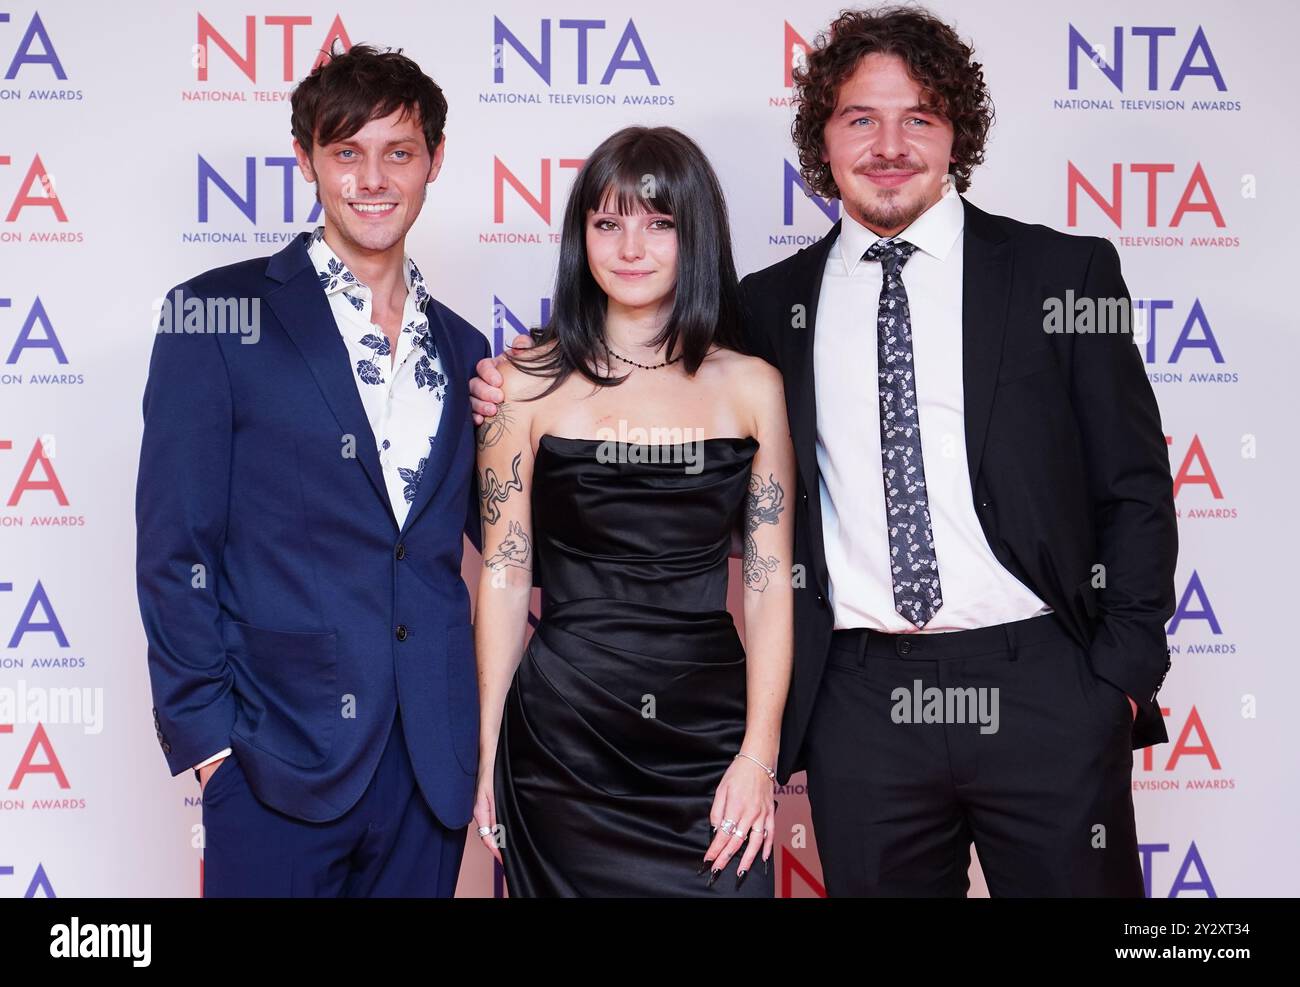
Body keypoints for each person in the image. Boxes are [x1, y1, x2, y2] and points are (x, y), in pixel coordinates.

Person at [473, 7, 1177, 897]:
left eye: (917, 117)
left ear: (957, 131)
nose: (889, 144)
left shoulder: (1061, 275)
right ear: (823, 139)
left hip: (1042, 683)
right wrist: (507, 390)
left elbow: (1136, 488)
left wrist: (1114, 680)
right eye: (860, 119)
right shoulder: (770, 310)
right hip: (859, 701)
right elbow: (643, 385)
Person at [136, 44, 489, 897]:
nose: (372, 179)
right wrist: (212, 746)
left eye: (398, 152)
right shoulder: (215, 317)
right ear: (307, 160)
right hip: (274, 760)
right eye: (346, 152)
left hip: (428, 770)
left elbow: (517, 549)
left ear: (434, 161)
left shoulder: (467, 348)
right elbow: (174, 545)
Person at [471, 126, 795, 896]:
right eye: (607, 222)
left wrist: (759, 752)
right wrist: (486, 751)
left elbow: (770, 584)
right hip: (561, 740)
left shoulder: (752, 386)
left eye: (658, 222)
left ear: (696, 235)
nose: (630, 246)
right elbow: (506, 576)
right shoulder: (521, 384)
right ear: (581, 235)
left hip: (709, 735)